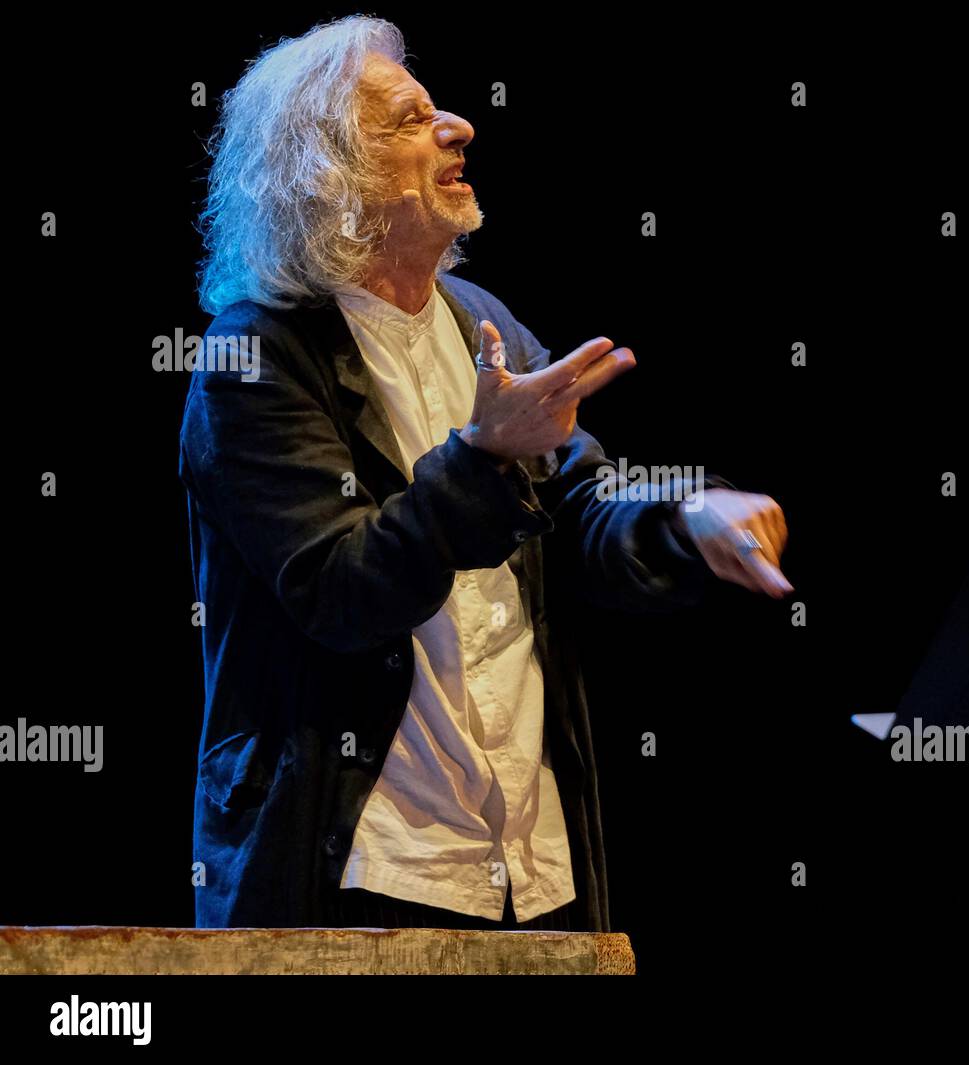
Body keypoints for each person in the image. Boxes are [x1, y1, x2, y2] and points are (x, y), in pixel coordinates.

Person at [181, 14, 791, 932]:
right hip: (361, 861)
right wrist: (479, 459)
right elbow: (339, 590)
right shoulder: (259, 354)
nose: (458, 127)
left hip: (525, 858)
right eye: (410, 120)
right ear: (326, 175)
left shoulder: (478, 320)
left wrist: (683, 516)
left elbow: (581, 506)